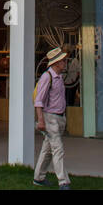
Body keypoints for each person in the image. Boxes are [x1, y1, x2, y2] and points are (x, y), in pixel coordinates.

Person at [32, 47, 71, 189]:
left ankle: (38, 177)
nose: (65, 62)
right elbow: (39, 101)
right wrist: (41, 120)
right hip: (50, 118)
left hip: (59, 117)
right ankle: (63, 181)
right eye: (63, 60)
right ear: (56, 63)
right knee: (57, 149)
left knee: (47, 149)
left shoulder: (59, 77)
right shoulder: (46, 77)